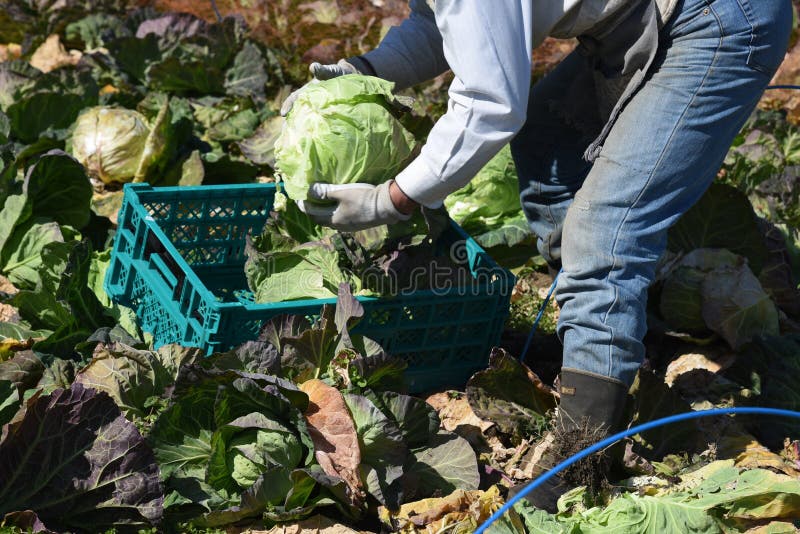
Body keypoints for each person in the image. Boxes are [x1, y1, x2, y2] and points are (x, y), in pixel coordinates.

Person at [282, 0, 793, 510]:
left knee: (606, 227)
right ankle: (612, 340)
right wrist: (366, 69)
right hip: (639, 19)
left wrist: (392, 197)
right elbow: (438, 25)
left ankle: (582, 452)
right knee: (550, 135)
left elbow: (491, 105)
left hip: (717, 20)